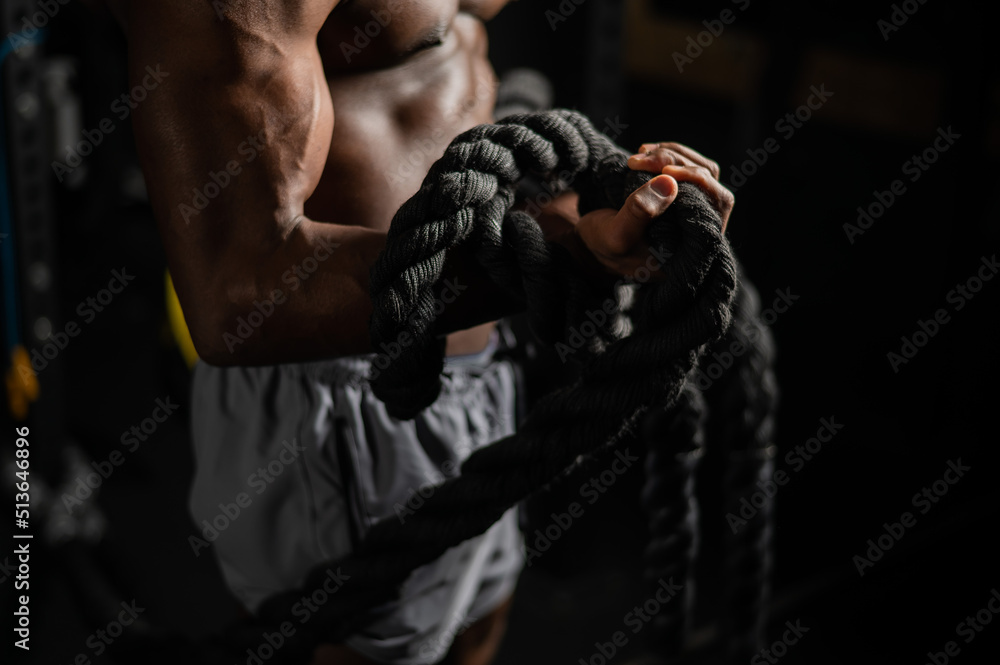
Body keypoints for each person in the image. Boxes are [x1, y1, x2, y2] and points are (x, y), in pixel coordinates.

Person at [84, 1, 735, 662]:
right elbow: (241, 289)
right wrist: (571, 257)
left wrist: (601, 218)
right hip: (346, 407)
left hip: (479, 357)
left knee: (478, 624)